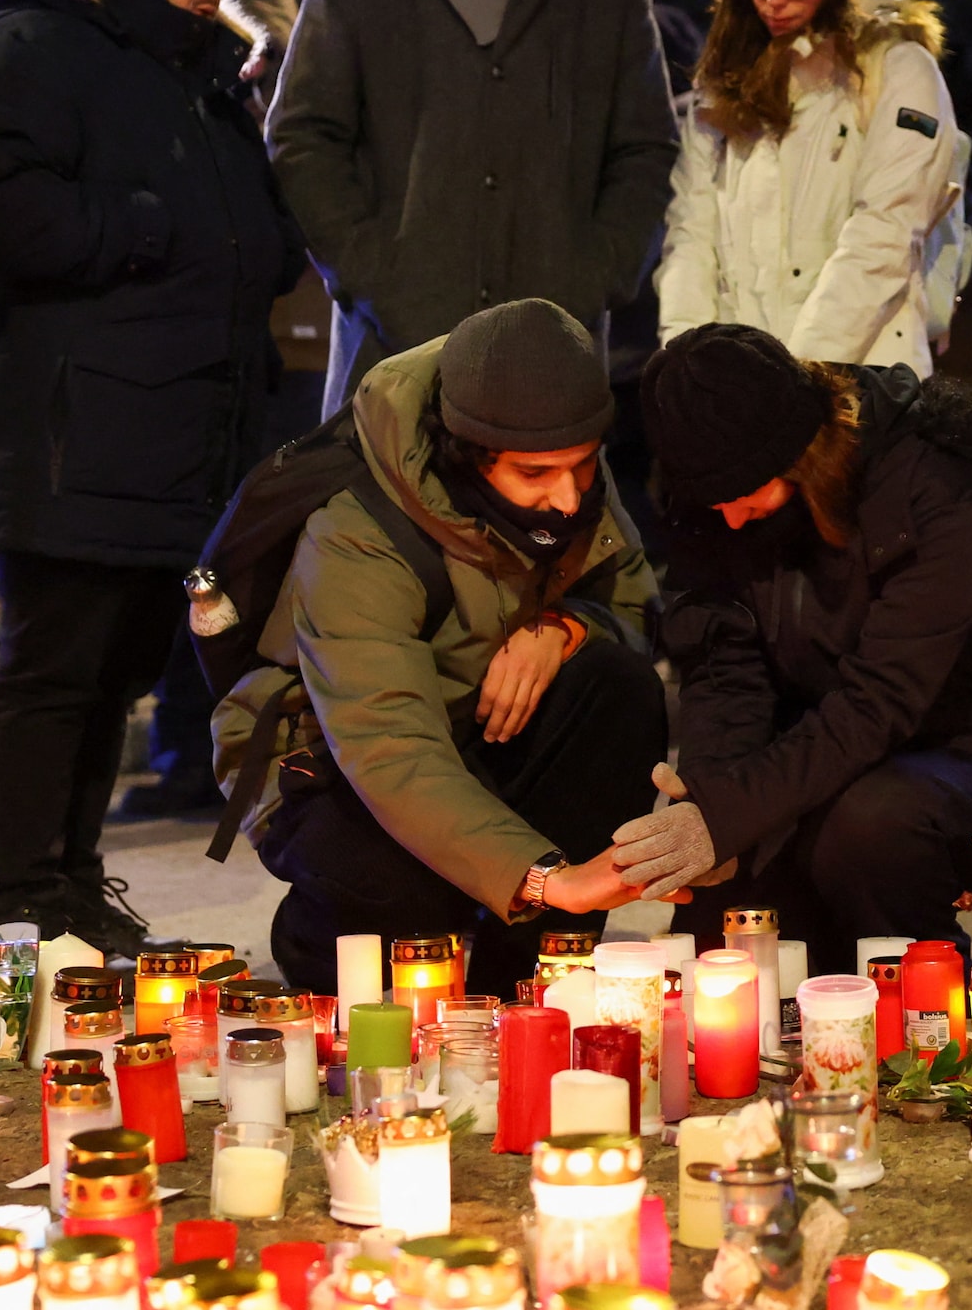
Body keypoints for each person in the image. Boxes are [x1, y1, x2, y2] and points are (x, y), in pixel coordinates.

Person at [0, 0, 305, 952]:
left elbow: (248, 220)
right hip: (72, 428)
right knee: (55, 667)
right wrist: (151, 230)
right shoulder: (30, 47)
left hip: (176, 432)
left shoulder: (201, 68)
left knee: (114, 676)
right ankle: (25, 902)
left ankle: (72, 887)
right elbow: (8, 221)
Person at [213, 299, 670, 996]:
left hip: (473, 727)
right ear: (470, 454)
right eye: (537, 475)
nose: (570, 500)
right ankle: (314, 936)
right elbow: (390, 748)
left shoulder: (563, 460)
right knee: (414, 913)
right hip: (333, 758)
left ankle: (535, 971)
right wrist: (545, 875)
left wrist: (565, 626)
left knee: (621, 689)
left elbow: (634, 602)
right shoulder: (357, 530)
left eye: (583, 467)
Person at [269, 0, 678, 419]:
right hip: (391, 358)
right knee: (382, 526)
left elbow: (647, 150)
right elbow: (302, 137)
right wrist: (373, 275)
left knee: (539, 526)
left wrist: (593, 276)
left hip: (550, 359)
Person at [625, 324, 972, 977]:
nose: (731, 519)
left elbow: (880, 700)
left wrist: (729, 812)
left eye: (743, 495)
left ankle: (929, 1014)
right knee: (728, 924)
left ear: (796, 451)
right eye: (716, 505)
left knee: (864, 826)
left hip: (955, 750)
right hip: (806, 753)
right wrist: (711, 809)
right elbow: (721, 664)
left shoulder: (926, 480)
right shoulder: (719, 499)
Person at [654, 0, 964, 374]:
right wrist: (688, 369)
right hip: (741, 392)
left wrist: (801, 377)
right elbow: (691, 235)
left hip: (864, 387)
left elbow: (883, 235)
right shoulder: (728, 79)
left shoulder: (897, 71)